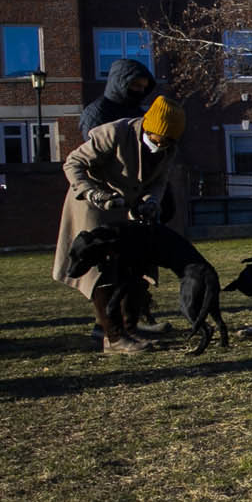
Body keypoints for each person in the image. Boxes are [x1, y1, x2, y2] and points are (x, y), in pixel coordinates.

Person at [53, 94, 186, 353]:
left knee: (138, 264)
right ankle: (113, 337)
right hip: (93, 205)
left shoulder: (169, 148)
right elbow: (73, 163)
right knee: (101, 270)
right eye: (160, 139)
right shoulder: (114, 133)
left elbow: (159, 181)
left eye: (170, 141)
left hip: (128, 208)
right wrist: (93, 193)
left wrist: (151, 202)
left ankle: (130, 327)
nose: (163, 145)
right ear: (149, 127)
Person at [80, 57, 155, 140]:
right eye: (137, 85)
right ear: (121, 83)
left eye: (144, 87)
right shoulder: (97, 113)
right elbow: (96, 145)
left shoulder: (138, 112)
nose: (141, 91)